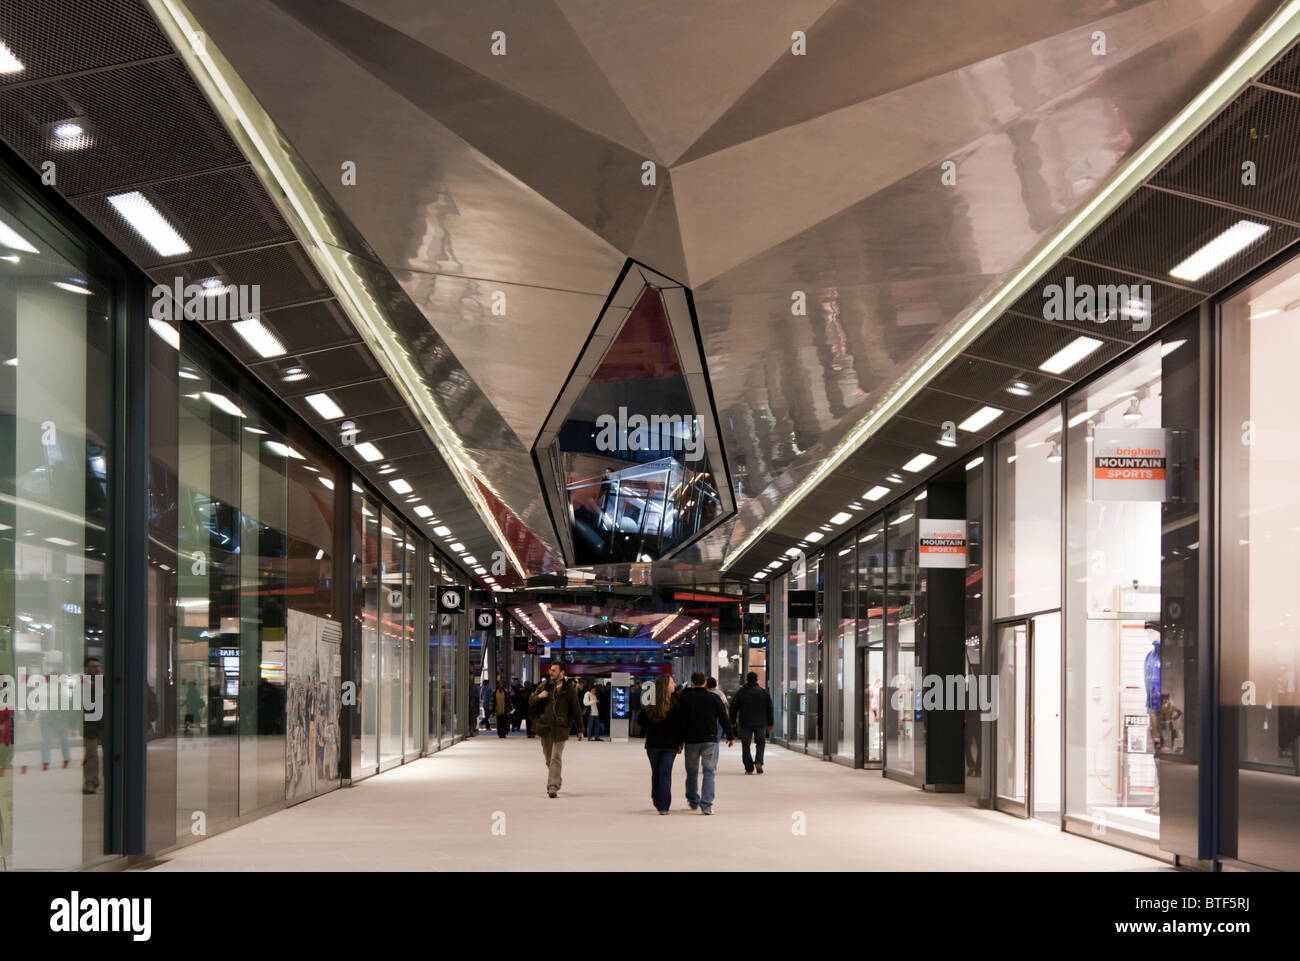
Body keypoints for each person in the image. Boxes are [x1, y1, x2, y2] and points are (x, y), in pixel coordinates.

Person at [677, 672, 734, 814]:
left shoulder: (685, 698)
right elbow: (723, 717)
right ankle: (707, 805)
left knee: (691, 772)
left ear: (691, 682)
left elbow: (680, 720)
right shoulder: (713, 698)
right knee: (709, 772)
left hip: (691, 740)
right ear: (704, 683)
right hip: (709, 739)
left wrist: (679, 740)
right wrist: (730, 735)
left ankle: (693, 800)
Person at [528, 663, 584, 797]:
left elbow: (576, 711)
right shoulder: (544, 686)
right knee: (549, 759)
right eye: (550, 670)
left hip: (561, 728)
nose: (550, 672)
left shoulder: (569, 690)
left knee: (555, 757)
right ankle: (556, 778)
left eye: (554, 670)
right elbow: (531, 700)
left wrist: (580, 730)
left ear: (562, 673)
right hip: (545, 727)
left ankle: (552, 786)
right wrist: (540, 696)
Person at [636, 674, 682, 814]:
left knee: (656, 772)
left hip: (653, 744)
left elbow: (640, 721)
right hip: (670, 744)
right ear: (665, 685)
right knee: (665, 773)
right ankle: (664, 806)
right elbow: (681, 725)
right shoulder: (676, 702)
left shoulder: (650, 701)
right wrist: (680, 742)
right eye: (672, 683)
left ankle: (657, 798)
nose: (674, 685)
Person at [729, 671, 774, 774]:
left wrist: (732, 721)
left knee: (745, 744)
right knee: (760, 743)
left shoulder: (741, 692)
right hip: (761, 723)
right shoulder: (763, 692)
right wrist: (770, 723)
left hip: (745, 723)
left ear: (746, 680)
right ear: (757, 679)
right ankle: (759, 762)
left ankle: (749, 768)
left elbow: (733, 707)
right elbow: (769, 708)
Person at [82, 657, 103, 795]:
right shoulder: (82, 685)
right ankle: (91, 782)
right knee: (91, 755)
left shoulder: (104, 682)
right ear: (86, 669)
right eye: (93, 666)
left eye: (98, 666)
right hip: (90, 726)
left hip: (104, 725)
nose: (97, 669)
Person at [706, 676, 728, 750]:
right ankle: (714, 760)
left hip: (708, 719)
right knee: (715, 742)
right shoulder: (720, 693)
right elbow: (726, 705)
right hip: (719, 719)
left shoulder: (704, 693)